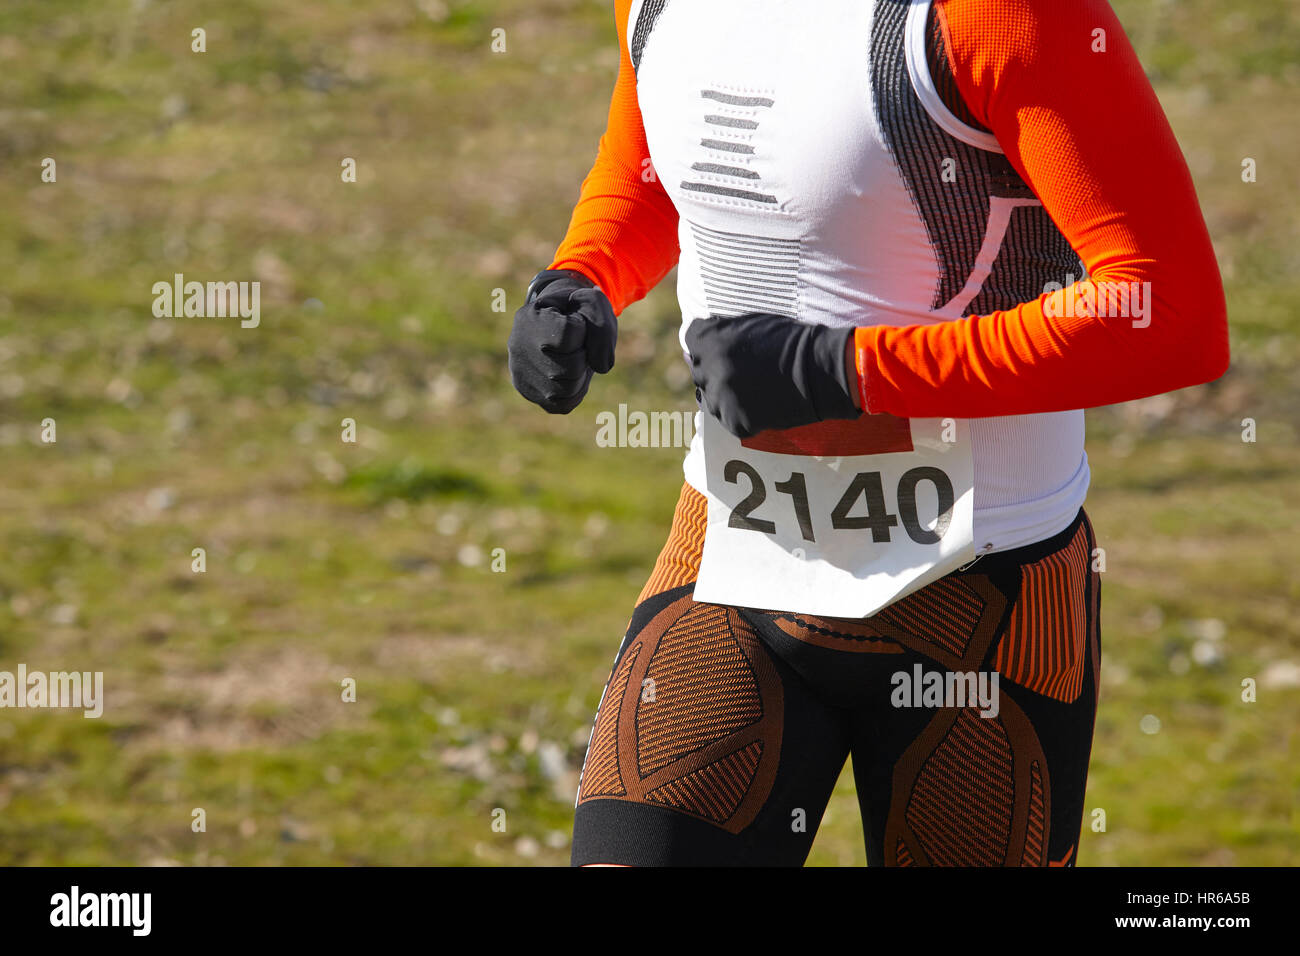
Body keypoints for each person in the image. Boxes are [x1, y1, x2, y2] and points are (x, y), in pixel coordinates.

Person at [507, 0, 1228, 866]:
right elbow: (657, 165)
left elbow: (1167, 312)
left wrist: (847, 372)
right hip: (736, 554)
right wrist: (581, 277)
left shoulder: (1007, 15)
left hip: (984, 586)